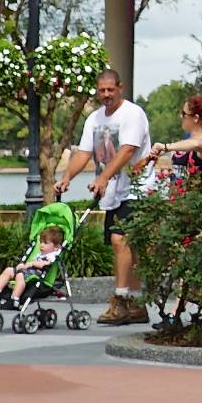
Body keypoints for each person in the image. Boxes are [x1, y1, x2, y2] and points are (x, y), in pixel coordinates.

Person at [51, 69, 152, 326]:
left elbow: (127, 150)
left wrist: (104, 177)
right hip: (112, 192)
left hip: (137, 189)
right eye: (102, 90)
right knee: (131, 249)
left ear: (120, 87)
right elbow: (84, 152)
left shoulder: (133, 114)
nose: (106, 95)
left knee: (121, 240)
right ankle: (138, 303)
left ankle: (120, 300)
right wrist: (66, 178)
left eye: (111, 89)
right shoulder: (94, 119)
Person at [152, 92, 202, 188]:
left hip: (200, 201)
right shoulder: (185, 143)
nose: (181, 117)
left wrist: (165, 147)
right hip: (179, 201)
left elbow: (197, 144)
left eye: (184, 114)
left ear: (195, 118)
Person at [0, 223, 66, 304]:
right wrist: (23, 266)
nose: (41, 245)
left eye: (45, 243)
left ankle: (15, 299)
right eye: (41, 242)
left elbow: (44, 264)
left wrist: (31, 264)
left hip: (35, 276)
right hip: (27, 271)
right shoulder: (40, 254)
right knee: (8, 270)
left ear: (56, 246)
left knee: (20, 275)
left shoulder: (52, 255)